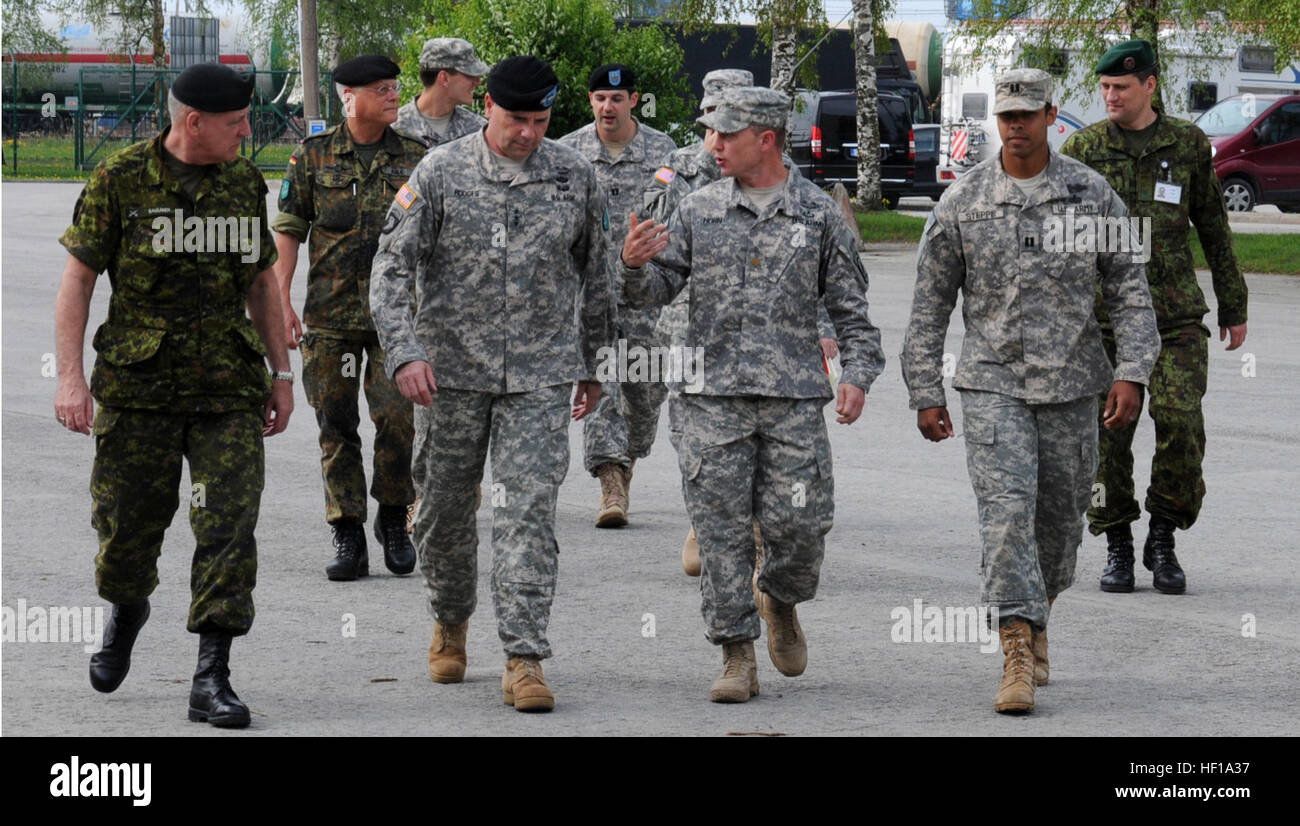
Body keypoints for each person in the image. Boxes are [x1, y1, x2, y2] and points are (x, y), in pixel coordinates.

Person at [900, 69, 1161, 713]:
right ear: (997, 123)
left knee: (1060, 522)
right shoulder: (963, 201)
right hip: (992, 385)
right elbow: (929, 305)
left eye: (1027, 114)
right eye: (1005, 116)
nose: (1015, 126)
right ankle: (1015, 645)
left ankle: (1039, 611)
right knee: (1006, 512)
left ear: (1050, 117)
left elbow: (1130, 290)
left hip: (1075, 386)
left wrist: (1133, 371)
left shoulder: (1093, 196)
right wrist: (924, 389)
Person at [621, 86, 885, 703]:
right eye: (709, 132)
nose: (712, 145)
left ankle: (782, 599)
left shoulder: (819, 215)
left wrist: (857, 374)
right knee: (720, 533)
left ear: (766, 139)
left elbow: (851, 310)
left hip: (793, 399)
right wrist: (633, 266)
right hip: (710, 397)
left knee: (801, 525)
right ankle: (736, 654)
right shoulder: (696, 209)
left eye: (725, 134)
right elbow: (655, 292)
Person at [369, 55, 613, 713]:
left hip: (540, 374)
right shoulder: (440, 173)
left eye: (540, 120)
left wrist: (595, 362)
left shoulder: (574, 176)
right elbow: (390, 270)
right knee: (444, 511)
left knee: (528, 510)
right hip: (447, 376)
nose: (528, 134)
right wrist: (405, 353)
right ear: (489, 112)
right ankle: (450, 616)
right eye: (516, 120)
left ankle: (524, 655)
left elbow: (599, 275)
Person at [54, 62, 293, 728]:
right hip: (138, 391)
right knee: (127, 531)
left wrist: (280, 373)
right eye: (237, 123)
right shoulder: (119, 181)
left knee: (228, 526)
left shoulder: (245, 184)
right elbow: (77, 282)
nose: (247, 134)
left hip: (226, 391)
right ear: (194, 123)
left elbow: (261, 284)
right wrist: (71, 378)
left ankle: (211, 677)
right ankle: (128, 608)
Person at [1061, 39, 1249, 595]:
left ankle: (1162, 534)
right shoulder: (1085, 148)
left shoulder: (1188, 145)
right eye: (1104, 88)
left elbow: (1214, 226)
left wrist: (1234, 305)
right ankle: (1117, 540)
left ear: (1150, 84)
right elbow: (1062, 237)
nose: (1109, 95)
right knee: (1107, 438)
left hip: (1173, 318)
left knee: (1182, 425)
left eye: (1120, 86)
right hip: (1105, 324)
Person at [643, 69, 839, 576]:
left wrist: (823, 327)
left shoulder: (798, 190)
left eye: (728, 125)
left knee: (781, 495)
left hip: (771, 350)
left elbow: (810, 275)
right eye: (712, 121)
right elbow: (657, 257)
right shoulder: (680, 170)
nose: (717, 139)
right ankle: (708, 523)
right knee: (707, 464)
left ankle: (762, 549)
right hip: (694, 332)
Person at [273, 56, 425, 582]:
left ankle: (393, 518)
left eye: (394, 88)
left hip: (396, 319)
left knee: (398, 418)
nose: (392, 97)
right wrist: (281, 303)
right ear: (348, 97)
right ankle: (347, 530)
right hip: (331, 317)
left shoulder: (417, 158)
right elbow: (289, 232)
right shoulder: (312, 157)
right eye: (380, 89)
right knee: (335, 426)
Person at [558, 63, 677, 528]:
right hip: (592, 295)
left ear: (633, 100)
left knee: (644, 397)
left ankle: (626, 461)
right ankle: (610, 479)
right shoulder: (569, 152)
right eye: (600, 99)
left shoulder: (662, 151)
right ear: (592, 102)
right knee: (602, 386)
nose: (608, 107)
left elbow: (675, 220)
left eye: (617, 98)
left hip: (647, 295)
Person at [393, 37, 488, 150]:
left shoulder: (478, 129)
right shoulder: (393, 129)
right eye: (470, 75)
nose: (478, 82)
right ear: (444, 79)